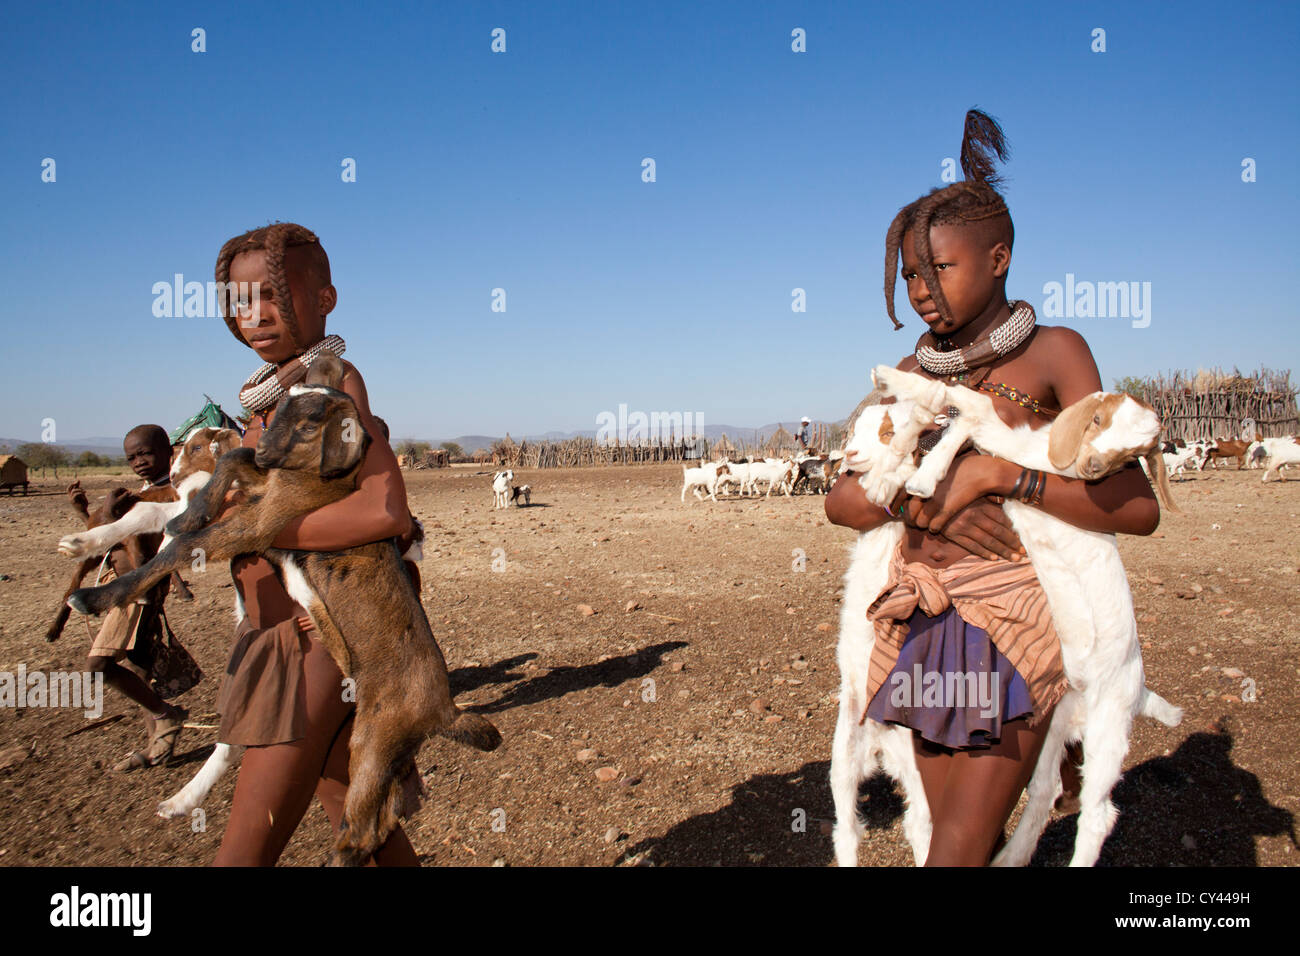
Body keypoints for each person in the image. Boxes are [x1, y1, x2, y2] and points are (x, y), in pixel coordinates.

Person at [825, 109, 1160, 866]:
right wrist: (919, 507)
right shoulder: (908, 376)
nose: (919, 290)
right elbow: (841, 498)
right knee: (949, 845)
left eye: (938, 269)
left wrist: (1002, 474)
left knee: (957, 853)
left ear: (1000, 257)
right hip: (923, 627)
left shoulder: (1053, 355)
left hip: (1023, 624)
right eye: (909, 274)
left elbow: (1136, 508)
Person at [208, 222, 420, 866]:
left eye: (273, 295)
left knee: (244, 850)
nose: (257, 315)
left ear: (325, 298)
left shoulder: (329, 383)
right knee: (357, 820)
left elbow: (386, 508)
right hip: (284, 631)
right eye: (241, 302)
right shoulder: (263, 401)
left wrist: (258, 529)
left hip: (322, 637)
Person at [78, 424, 188, 772]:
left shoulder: (172, 494)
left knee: (98, 667)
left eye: (145, 453)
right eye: (131, 457)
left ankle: (166, 716)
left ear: (169, 451)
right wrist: (86, 512)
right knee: (139, 668)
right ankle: (157, 746)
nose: (138, 461)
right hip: (128, 588)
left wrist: (112, 517)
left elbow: (148, 539)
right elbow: (105, 537)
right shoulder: (143, 492)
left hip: (134, 591)